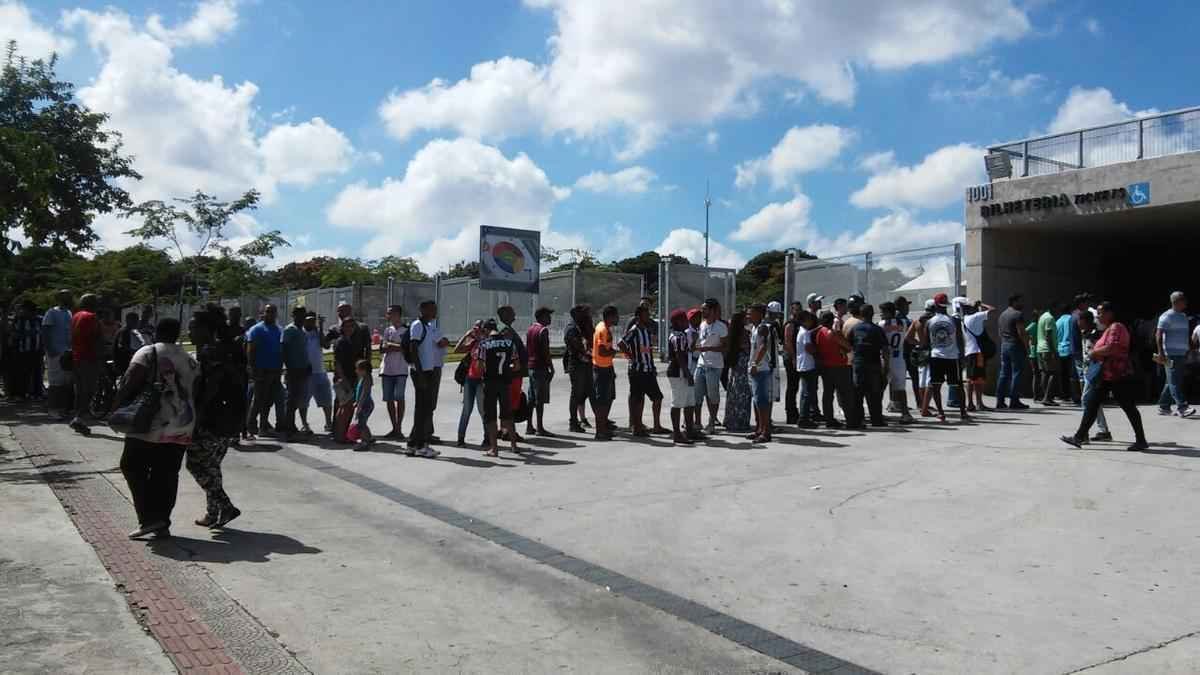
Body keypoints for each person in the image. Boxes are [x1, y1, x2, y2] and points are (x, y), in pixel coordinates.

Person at [114, 317, 198, 540]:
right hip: (182, 425)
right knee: (167, 473)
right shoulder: (189, 359)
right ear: (177, 334)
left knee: (131, 465)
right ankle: (162, 522)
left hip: (149, 422)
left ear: (156, 332)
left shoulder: (147, 352)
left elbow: (130, 380)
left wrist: (116, 408)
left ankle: (149, 518)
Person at [1061, 302, 1149, 451]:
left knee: (1128, 407)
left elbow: (1112, 348)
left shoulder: (1117, 327)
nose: (1098, 316)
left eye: (1101, 313)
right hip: (1107, 375)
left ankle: (1141, 440)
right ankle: (1079, 436)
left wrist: (1094, 352)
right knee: (1092, 403)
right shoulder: (1110, 328)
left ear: (1110, 313)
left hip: (1117, 375)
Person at [186, 307, 241, 529]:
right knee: (212, 467)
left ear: (205, 329)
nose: (189, 333)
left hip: (212, 419)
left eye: (192, 328)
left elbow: (212, 385)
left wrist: (198, 415)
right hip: (229, 418)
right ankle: (213, 513)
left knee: (195, 465)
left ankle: (225, 506)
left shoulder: (210, 352)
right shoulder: (223, 349)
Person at [619, 303, 667, 436]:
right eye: (646, 315)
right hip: (638, 370)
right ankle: (637, 427)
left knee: (655, 398)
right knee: (639, 398)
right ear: (639, 317)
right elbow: (621, 344)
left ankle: (655, 426)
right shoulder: (634, 330)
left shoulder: (646, 330)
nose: (648, 317)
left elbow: (647, 350)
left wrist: (652, 366)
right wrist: (631, 356)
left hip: (648, 369)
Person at [408, 301, 447, 456]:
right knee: (422, 410)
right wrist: (420, 373)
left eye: (435, 309)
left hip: (427, 371)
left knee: (424, 409)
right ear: (423, 310)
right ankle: (420, 446)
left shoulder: (428, 327)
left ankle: (413, 444)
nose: (435, 311)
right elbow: (413, 348)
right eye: (432, 309)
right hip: (421, 372)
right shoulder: (418, 325)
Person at [922, 292, 969, 423]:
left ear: (935, 305)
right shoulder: (954, 320)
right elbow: (960, 340)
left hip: (936, 357)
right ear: (946, 306)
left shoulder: (929, 322)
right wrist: (963, 356)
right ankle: (963, 413)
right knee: (958, 385)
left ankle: (941, 414)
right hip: (952, 357)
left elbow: (925, 343)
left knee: (936, 386)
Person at [479, 319, 519, 457]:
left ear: (486, 330)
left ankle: (494, 448)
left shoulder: (484, 344)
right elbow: (517, 366)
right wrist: (507, 368)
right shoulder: (509, 343)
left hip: (490, 383)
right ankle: (514, 445)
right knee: (507, 414)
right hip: (504, 383)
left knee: (490, 416)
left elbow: (479, 366)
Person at [245, 304, 283, 436]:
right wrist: (252, 369)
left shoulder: (278, 329)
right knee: (258, 400)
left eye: (273, 311)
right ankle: (250, 425)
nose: (270, 314)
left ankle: (263, 426)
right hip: (261, 370)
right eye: (268, 311)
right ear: (263, 313)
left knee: (269, 400)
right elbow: (250, 350)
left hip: (275, 370)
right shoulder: (256, 329)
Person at [68, 294, 103, 435]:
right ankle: (79, 418)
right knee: (89, 390)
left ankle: (78, 417)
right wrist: (100, 357)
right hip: (89, 358)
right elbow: (94, 339)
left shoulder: (76, 316)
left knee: (80, 390)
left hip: (77, 357)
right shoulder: (91, 317)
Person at [1156, 291, 1194, 417]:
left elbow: (1185, 335)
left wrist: (1188, 349)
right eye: (1183, 299)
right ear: (1176, 302)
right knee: (1174, 382)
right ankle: (1182, 407)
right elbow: (1158, 335)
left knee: (1171, 381)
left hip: (1181, 353)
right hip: (1170, 354)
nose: (1186, 302)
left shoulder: (1183, 316)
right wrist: (1161, 353)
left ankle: (1163, 406)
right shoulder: (1166, 316)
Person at [849, 303, 887, 428]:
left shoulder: (855, 328)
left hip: (858, 364)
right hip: (873, 364)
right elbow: (885, 349)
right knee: (874, 394)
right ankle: (876, 420)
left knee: (857, 394)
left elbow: (847, 345)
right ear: (872, 314)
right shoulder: (877, 329)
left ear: (861, 314)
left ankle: (857, 421)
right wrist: (886, 366)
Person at [815, 309, 854, 428]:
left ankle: (829, 419)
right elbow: (848, 347)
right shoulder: (833, 333)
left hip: (826, 366)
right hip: (838, 366)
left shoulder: (819, 332)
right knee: (845, 394)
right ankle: (851, 421)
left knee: (828, 394)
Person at [1075, 310, 1111, 443]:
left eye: (1080, 320)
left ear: (1086, 321)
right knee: (1094, 402)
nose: (1078, 323)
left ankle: (1083, 434)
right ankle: (1103, 431)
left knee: (1086, 400)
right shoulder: (1084, 333)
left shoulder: (1096, 335)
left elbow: (1099, 353)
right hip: (1088, 370)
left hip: (1095, 371)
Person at [695, 298, 728, 434]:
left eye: (705, 309)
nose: (702, 311)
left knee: (712, 395)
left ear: (713, 310)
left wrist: (709, 348)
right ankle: (697, 422)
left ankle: (711, 422)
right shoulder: (702, 325)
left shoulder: (721, 327)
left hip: (714, 366)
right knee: (697, 395)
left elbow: (725, 347)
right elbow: (701, 342)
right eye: (702, 309)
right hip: (701, 364)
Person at [878, 302, 914, 424]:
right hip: (899, 358)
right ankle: (905, 414)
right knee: (900, 388)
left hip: (887, 358)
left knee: (881, 387)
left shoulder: (882, 324)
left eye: (882, 312)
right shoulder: (902, 323)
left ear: (888, 312)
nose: (881, 314)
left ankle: (878, 413)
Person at [666, 309, 697, 444]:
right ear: (678, 322)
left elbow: (686, 352)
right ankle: (677, 433)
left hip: (684, 371)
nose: (687, 322)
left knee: (690, 401)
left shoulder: (682, 335)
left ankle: (689, 430)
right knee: (678, 403)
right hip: (678, 373)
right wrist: (687, 373)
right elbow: (679, 356)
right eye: (685, 319)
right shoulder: (677, 337)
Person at [280, 306, 311, 438]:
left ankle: (292, 426)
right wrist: (289, 367)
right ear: (293, 315)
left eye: (303, 315)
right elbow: (284, 349)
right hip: (293, 370)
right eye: (299, 314)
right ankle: (288, 429)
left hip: (303, 369)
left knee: (297, 399)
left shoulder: (302, 331)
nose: (302, 317)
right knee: (291, 400)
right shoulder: (289, 330)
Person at [995, 294, 1031, 410]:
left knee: (1004, 373)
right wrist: (1027, 347)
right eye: (1020, 301)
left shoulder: (1003, 314)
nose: (1022, 303)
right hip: (1015, 345)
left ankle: (1000, 401)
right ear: (1014, 302)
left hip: (1005, 345)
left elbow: (1000, 332)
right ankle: (1014, 400)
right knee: (1017, 373)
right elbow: (1021, 333)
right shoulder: (1017, 314)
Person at [746, 304, 776, 441]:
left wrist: (754, 363)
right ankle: (759, 429)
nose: (748, 315)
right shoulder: (754, 328)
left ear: (759, 314)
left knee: (762, 402)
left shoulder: (763, 328)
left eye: (750, 312)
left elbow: (763, 346)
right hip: (755, 369)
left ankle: (766, 432)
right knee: (757, 401)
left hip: (761, 369)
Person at [496, 306, 526, 441]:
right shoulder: (505, 330)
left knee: (507, 402)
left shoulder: (503, 328)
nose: (515, 315)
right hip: (512, 373)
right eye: (512, 313)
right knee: (511, 404)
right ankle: (509, 431)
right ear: (505, 315)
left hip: (511, 372)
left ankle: (504, 428)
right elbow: (508, 351)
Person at [563, 305, 594, 433]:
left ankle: (586, 419)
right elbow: (578, 346)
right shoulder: (572, 328)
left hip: (585, 364)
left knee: (587, 392)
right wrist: (587, 354)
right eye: (584, 313)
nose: (587, 316)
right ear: (576, 314)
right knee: (576, 394)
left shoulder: (583, 326)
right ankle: (573, 422)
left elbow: (591, 339)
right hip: (577, 365)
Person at [380, 305, 410, 440]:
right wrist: (394, 346)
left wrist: (392, 345)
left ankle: (399, 427)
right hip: (387, 369)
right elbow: (382, 347)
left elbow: (406, 348)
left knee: (400, 397)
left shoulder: (406, 330)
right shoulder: (387, 330)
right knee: (389, 399)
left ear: (398, 314)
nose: (388, 316)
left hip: (401, 369)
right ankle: (394, 427)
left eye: (390, 313)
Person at [525, 307, 556, 437]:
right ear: (542, 317)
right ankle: (539, 427)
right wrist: (551, 367)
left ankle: (529, 426)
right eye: (548, 316)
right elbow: (545, 351)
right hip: (540, 367)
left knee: (531, 398)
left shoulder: (530, 329)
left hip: (531, 366)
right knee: (540, 399)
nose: (550, 318)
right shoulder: (543, 331)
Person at [961, 300, 997, 412]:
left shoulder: (964, 319)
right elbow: (993, 310)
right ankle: (979, 404)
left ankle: (971, 403)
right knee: (979, 379)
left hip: (968, 352)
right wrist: (981, 304)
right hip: (977, 352)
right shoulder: (976, 317)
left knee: (970, 379)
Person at [455, 321, 485, 448]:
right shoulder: (473, 343)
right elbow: (457, 349)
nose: (475, 330)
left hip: (481, 380)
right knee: (466, 409)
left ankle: (488, 437)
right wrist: (466, 336)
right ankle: (461, 438)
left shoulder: (487, 343)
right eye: (474, 328)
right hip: (470, 379)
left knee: (483, 410)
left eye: (478, 328)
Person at [591, 305, 620, 441]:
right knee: (602, 400)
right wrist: (613, 352)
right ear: (610, 316)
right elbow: (602, 351)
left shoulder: (603, 327)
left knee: (608, 398)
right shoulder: (603, 329)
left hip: (606, 366)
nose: (618, 318)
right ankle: (600, 431)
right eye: (616, 315)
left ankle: (603, 428)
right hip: (601, 368)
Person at [302, 313, 333, 433]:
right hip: (306, 373)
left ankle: (328, 423)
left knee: (326, 399)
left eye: (313, 320)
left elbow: (325, 345)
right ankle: (305, 424)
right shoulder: (301, 332)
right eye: (308, 320)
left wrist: (320, 327)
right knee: (304, 401)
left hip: (320, 371)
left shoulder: (317, 332)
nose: (311, 322)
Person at [5, 300, 42, 399]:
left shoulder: (39, 319)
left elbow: (43, 334)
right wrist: (28, 334)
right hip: (22, 351)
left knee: (36, 373)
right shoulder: (18, 319)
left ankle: (36, 393)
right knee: (22, 373)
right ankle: (20, 394)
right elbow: (12, 333)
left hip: (36, 351)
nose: (22, 311)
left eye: (24, 309)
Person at [723, 310, 752, 433]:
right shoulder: (745, 333)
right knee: (743, 394)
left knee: (733, 393)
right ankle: (741, 422)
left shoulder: (731, 333)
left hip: (734, 364)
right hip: (743, 364)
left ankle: (731, 420)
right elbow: (748, 348)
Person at [793, 310, 821, 428]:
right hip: (808, 365)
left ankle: (804, 417)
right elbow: (809, 347)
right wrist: (818, 353)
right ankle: (804, 418)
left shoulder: (802, 331)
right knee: (807, 393)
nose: (811, 321)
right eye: (809, 319)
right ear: (804, 321)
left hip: (803, 364)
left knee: (806, 392)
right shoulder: (805, 334)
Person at [782, 301, 804, 424]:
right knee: (792, 386)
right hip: (791, 357)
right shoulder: (790, 324)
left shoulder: (798, 323)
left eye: (799, 309)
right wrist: (794, 358)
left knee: (795, 386)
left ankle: (794, 412)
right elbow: (788, 342)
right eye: (796, 309)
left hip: (796, 357)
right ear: (791, 311)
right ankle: (790, 413)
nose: (798, 311)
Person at [1055, 302, 1080, 404]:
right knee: (1073, 374)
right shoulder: (1072, 319)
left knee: (1063, 374)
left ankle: (1065, 395)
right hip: (1070, 349)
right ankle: (1075, 395)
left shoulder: (1058, 321)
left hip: (1060, 349)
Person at [1036, 304, 1060, 406]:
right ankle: (1047, 398)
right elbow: (1048, 335)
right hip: (1047, 349)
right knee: (1053, 373)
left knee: (1045, 373)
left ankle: (1045, 396)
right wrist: (1054, 351)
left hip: (1040, 349)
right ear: (1052, 308)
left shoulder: (1042, 317)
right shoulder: (1050, 318)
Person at [352, 360, 375, 450]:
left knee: (361, 424)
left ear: (364, 370)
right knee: (363, 423)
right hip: (364, 404)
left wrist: (359, 407)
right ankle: (369, 437)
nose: (356, 371)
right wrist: (356, 402)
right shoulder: (363, 378)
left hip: (365, 404)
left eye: (357, 369)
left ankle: (364, 442)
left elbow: (364, 394)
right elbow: (359, 392)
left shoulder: (367, 379)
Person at [112, 312, 145, 376]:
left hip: (125, 360)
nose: (137, 322)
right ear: (128, 320)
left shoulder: (129, 331)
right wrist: (136, 352)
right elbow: (121, 347)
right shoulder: (124, 331)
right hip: (122, 362)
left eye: (137, 320)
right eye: (135, 320)